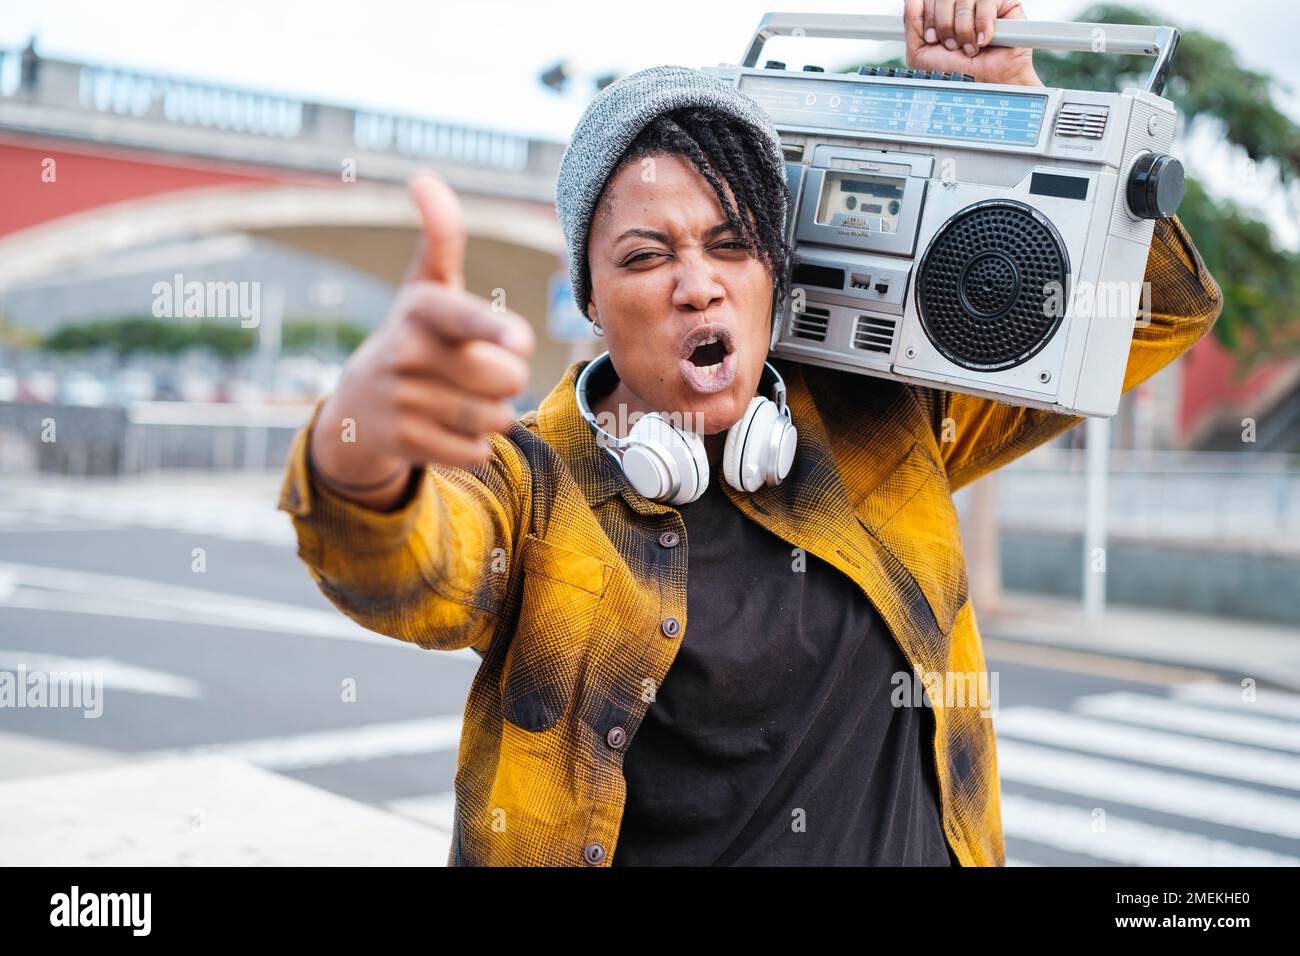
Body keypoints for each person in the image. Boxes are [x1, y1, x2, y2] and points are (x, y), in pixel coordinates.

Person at [277, 0, 1223, 866]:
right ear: (593, 300)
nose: (699, 283)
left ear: (776, 270)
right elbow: (410, 567)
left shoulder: (884, 423)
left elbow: (1153, 318)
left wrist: (1023, 116)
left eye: (732, 245)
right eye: (647, 257)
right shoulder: (534, 483)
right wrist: (359, 448)